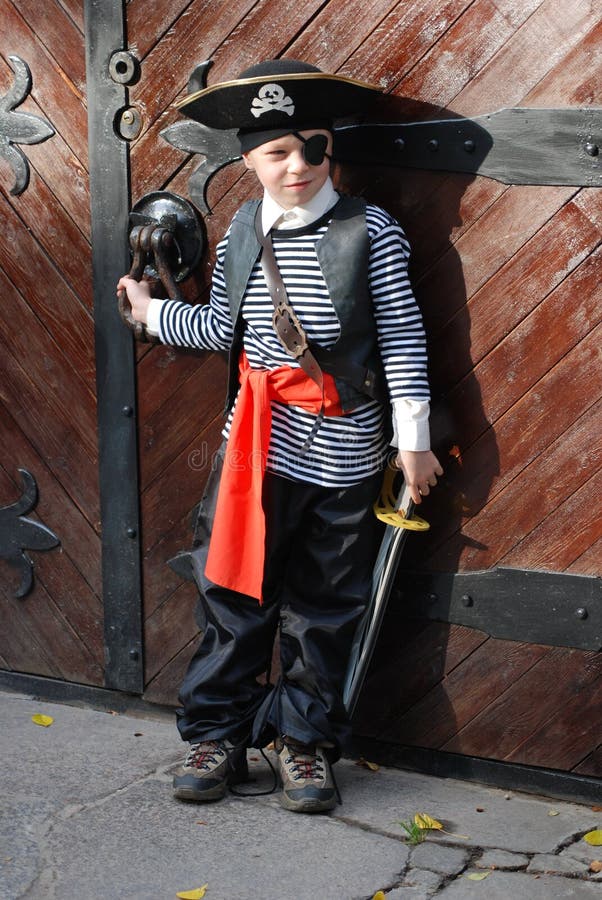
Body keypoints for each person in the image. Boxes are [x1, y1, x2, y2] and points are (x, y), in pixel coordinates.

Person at [117, 59, 442, 814]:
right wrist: (149, 310)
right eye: (277, 153)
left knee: (324, 608)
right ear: (249, 160)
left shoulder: (371, 232)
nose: (298, 166)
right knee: (233, 598)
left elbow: (402, 339)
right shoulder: (242, 229)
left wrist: (413, 441)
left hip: (344, 454)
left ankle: (303, 743)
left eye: (313, 148)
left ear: (331, 149)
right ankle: (218, 736)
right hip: (255, 451)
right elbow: (220, 328)